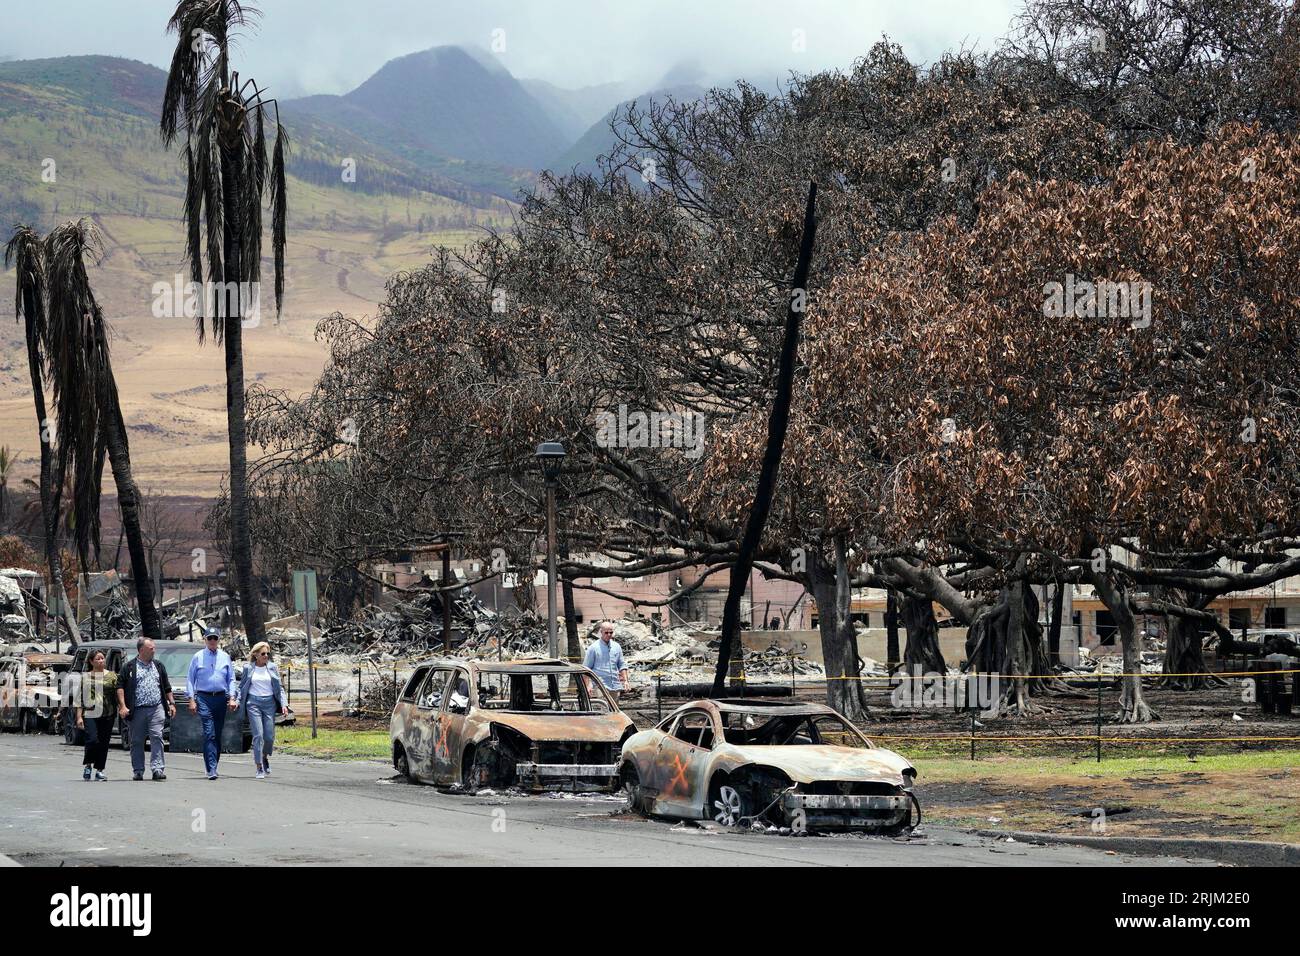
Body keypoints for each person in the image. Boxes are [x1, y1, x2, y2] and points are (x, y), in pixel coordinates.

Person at [116, 637, 176, 781]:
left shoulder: (159, 666)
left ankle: (157, 769)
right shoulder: (129, 667)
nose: (154, 651)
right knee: (136, 740)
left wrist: (171, 703)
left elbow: (167, 687)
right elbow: (120, 687)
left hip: (156, 708)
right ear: (141, 650)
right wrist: (123, 706)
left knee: (157, 737)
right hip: (137, 711)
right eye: (151, 648)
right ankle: (138, 770)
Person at [187, 627, 238, 780]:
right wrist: (191, 699)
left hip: (221, 698)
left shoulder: (225, 656)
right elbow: (190, 679)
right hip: (204, 698)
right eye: (210, 638)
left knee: (217, 734)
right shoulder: (198, 656)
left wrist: (232, 697)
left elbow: (231, 679)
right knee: (209, 733)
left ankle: (213, 764)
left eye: (215, 638)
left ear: (219, 640)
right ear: (205, 639)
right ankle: (211, 769)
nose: (212, 641)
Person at [238, 642, 288, 779]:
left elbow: (280, 688)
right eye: (263, 654)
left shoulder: (272, 668)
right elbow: (241, 687)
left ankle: (265, 756)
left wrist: (284, 704)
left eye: (267, 653)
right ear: (256, 655)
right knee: (258, 735)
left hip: (269, 704)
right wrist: (236, 700)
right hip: (253, 703)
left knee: (269, 737)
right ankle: (259, 766)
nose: (266, 656)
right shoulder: (248, 668)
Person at [77, 650, 117, 781]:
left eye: (102, 658)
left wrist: (122, 707)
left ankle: (99, 770)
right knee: (92, 739)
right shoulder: (85, 677)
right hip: (90, 713)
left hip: (108, 713)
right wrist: (79, 717)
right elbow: (79, 698)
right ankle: (88, 764)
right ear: (91, 661)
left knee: (104, 742)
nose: (101, 661)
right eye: (98, 659)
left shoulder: (112, 676)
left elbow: (118, 693)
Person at [583, 621, 629, 694]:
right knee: (603, 705)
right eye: (606, 633)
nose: (609, 635)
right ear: (601, 632)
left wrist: (626, 681)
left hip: (615, 686)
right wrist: (588, 685)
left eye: (611, 632)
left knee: (614, 705)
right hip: (600, 687)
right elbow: (586, 668)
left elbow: (622, 665)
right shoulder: (593, 648)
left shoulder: (617, 647)